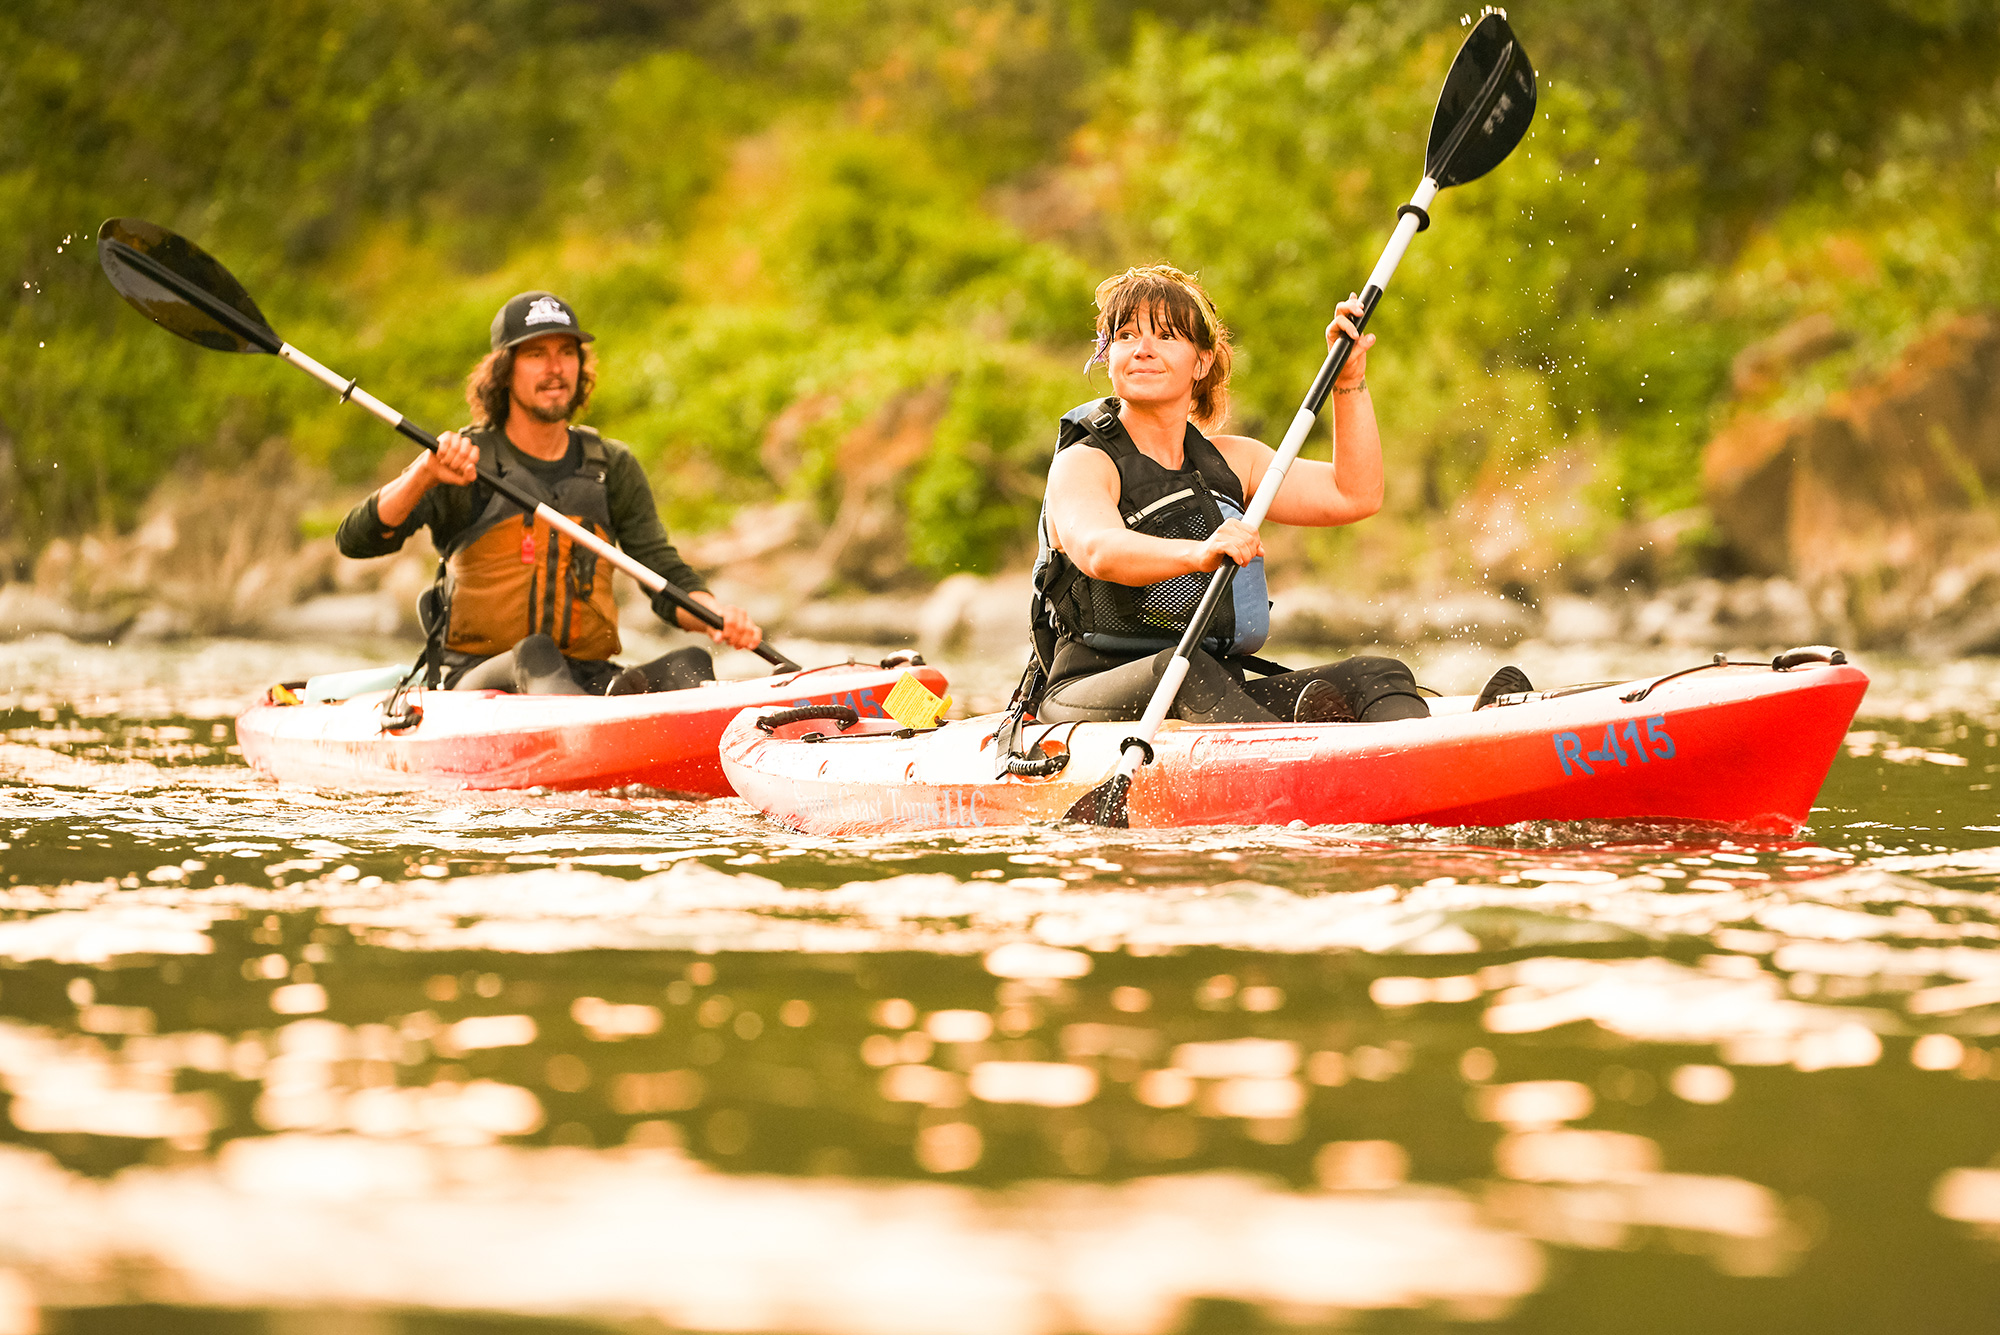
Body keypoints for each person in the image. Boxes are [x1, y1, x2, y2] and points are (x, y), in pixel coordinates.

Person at [1026, 264, 1522, 727]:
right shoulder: (1084, 463)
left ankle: (1426, 759)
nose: (1143, 348)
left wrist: (1349, 383)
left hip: (1216, 688)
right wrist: (1199, 553)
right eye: (1126, 335)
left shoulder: (1233, 462)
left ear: (1201, 362)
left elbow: (1354, 494)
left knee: (1378, 674)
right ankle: (1317, 757)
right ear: (1108, 356)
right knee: (1187, 672)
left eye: (1166, 335)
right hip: (1092, 686)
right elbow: (1099, 550)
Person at [336, 291, 762, 695]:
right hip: (478, 683)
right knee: (535, 653)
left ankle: (626, 731)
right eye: (536, 354)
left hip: (588, 677)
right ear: (504, 371)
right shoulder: (463, 463)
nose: (555, 368)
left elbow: (661, 572)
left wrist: (713, 615)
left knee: (687, 664)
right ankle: (587, 735)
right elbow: (356, 541)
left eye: (566, 352)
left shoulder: (611, 467)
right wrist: (422, 476)